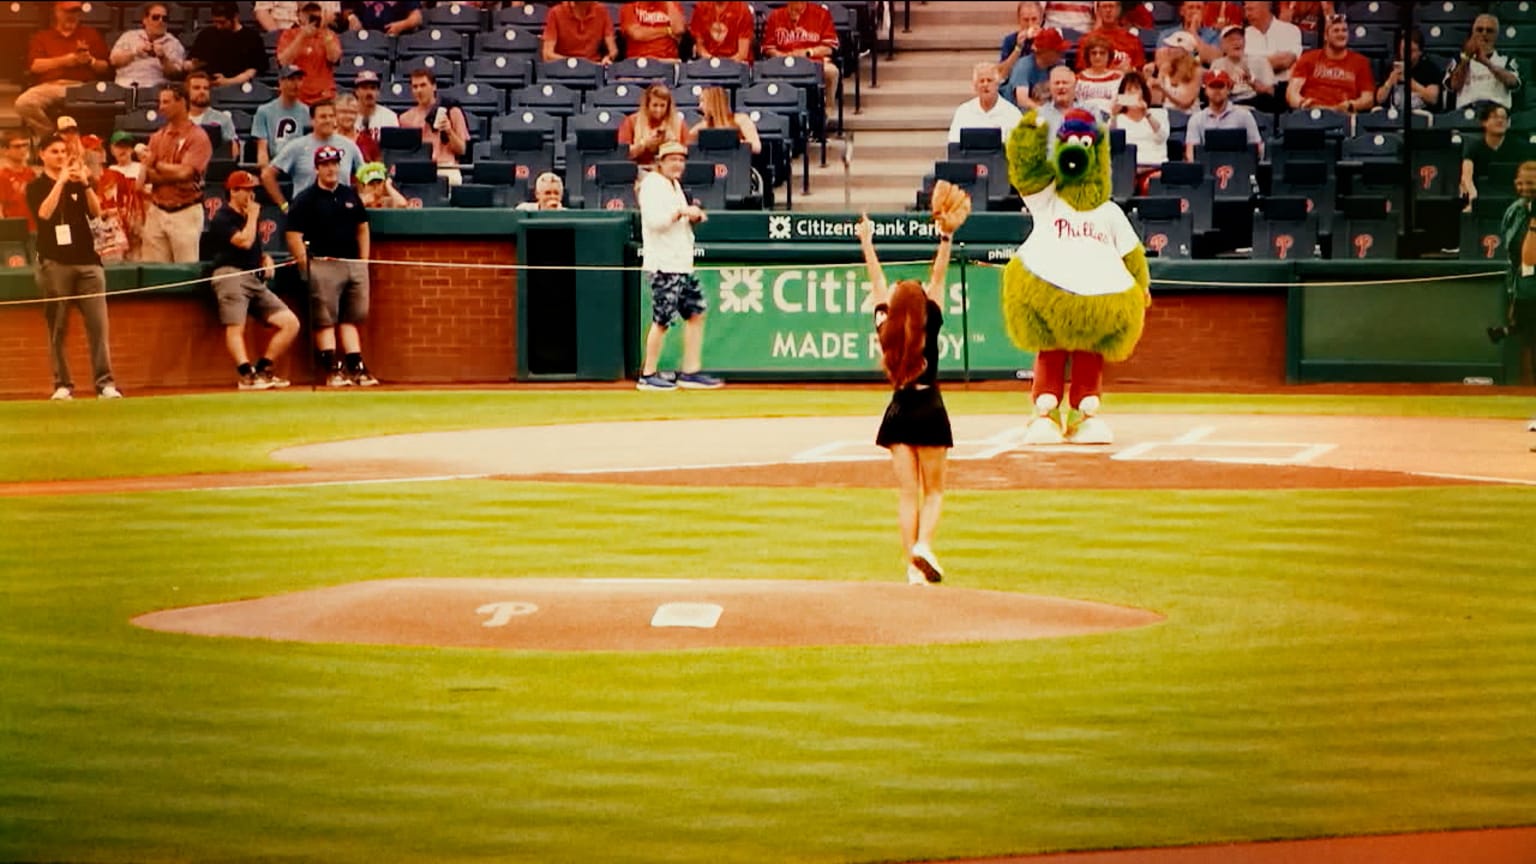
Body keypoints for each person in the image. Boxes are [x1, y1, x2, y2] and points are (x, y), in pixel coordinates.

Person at [855, 188, 969, 585]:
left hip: (898, 411)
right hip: (930, 408)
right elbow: (940, 274)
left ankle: (911, 566)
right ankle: (924, 545)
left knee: (907, 494)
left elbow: (876, 282)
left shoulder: (885, 325)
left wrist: (867, 243)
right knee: (934, 491)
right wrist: (945, 236)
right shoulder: (929, 318)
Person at [27, 133, 120, 401]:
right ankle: (63, 384)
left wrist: (87, 183)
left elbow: (96, 212)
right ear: (42, 154)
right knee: (57, 327)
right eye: (54, 151)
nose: (59, 156)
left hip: (88, 262)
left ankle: (105, 384)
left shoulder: (78, 183)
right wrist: (61, 182)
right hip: (55, 263)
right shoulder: (36, 185)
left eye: (62, 152)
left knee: (98, 326)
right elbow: (44, 214)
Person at [283, 145, 378, 387]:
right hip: (322, 266)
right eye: (326, 164)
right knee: (325, 319)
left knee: (351, 317)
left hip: (351, 264)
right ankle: (332, 368)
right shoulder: (305, 199)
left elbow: (362, 228)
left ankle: (356, 366)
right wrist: (305, 265)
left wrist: (363, 261)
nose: (331, 169)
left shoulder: (349, 194)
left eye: (334, 163)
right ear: (317, 168)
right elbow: (293, 234)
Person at [635, 141, 722, 392]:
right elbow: (655, 222)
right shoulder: (652, 185)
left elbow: (677, 221)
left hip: (682, 263)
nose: (678, 164)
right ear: (660, 162)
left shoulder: (674, 186)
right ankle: (648, 374)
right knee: (661, 320)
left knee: (696, 312)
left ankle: (690, 371)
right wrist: (682, 212)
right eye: (672, 159)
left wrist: (691, 217)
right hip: (663, 264)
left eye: (681, 160)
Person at [207, 170, 301, 390]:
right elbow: (243, 242)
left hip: (253, 277)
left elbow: (253, 248)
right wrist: (252, 217)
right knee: (235, 326)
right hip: (230, 274)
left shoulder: (248, 216)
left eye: (253, 190)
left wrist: (265, 257)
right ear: (233, 191)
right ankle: (246, 374)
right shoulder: (223, 217)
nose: (251, 195)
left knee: (290, 323)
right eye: (246, 191)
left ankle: (262, 369)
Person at [140, 84, 212, 263]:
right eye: (160, 102)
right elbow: (148, 175)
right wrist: (166, 172)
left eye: (166, 102)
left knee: (185, 271)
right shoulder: (157, 136)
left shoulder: (198, 137)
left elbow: (185, 173)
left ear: (181, 102)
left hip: (185, 211)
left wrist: (156, 164)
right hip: (157, 210)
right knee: (152, 274)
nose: (160, 107)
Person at [16, 1, 111, 138]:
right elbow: (35, 66)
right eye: (67, 12)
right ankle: (52, 138)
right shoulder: (43, 37)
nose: (71, 16)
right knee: (23, 103)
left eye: (75, 12)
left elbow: (105, 68)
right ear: (56, 12)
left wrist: (90, 60)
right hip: (51, 87)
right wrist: (65, 61)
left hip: (83, 87)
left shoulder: (91, 34)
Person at [263, 100, 366, 205]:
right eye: (323, 117)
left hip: (341, 212)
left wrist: (360, 201)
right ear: (312, 120)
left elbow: (363, 176)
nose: (328, 120)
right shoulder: (297, 146)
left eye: (331, 116)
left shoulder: (349, 146)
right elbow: (267, 175)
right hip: (306, 212)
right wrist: (284, 205)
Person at [760, 1, 841, 118]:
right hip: (783, 64)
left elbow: (829, 48)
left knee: (832, 72)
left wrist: (808, 52)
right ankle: (774, 116)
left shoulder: (821, 14)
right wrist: (781, 56)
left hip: (812, 62)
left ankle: (826, 113)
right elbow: (768, 48)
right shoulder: (775, 16)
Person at [1497, 161, 1536, 393]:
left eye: (1531, 183)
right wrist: (1513, 294)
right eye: (1521, 182)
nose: (1525, 187)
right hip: (1525, 289)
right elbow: (1513, 259)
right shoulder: (1513, 211)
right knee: (1528, 345)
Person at [1286, 13, 1373, 113]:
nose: (1341, 34)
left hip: (1343, 116)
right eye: (1336, 31)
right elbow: (1292, 93)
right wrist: (1302, 103)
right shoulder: (1308, 58)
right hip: (1312, 113)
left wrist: (1351, 105)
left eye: (1344, 30)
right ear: (1325, 36)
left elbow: (1368, 98)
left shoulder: (1361, 62)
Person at [397, 68, 470, 185]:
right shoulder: (404, 118)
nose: (419, 90)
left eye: (423, 85)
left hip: (445, 167)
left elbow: (462, 150)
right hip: (418, 168)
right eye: (415, 87)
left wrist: (449, 131)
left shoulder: (452, 111)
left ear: (434, 86)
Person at [1447, 13, 1522, 112]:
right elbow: (1454, 86)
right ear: (1473, 32)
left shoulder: (1507, 58)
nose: (1484, 33)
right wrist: (1465, 60)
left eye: (1489, 30)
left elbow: (1513, 83)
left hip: (1496, 112)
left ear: (1496, 35)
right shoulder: (1459, 58)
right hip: (1467, 112)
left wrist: (1486, 62)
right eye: (1479, 30)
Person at [1184, 69, 1262, 160]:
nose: (1217, 90)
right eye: (1212, 86)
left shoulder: (1244, 116)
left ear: (1228, 89)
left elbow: (1257, 148)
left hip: (1240, 166)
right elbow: (1191, 154)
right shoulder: (1196, 119)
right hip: (1207, 169)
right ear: (1205, 90)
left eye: (1220, 86)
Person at [1109, 72, 1168, 192]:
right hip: (1126, 170)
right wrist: (1114, 115)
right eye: (1128, 90)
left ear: (1143, 92)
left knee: (1152, 183)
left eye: (1136, 89)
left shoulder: (1159, 114)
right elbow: (1111, 142)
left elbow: (1161, 137)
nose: (1132, 94)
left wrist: (1147, 113)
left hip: (1154, 167)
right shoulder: (1117, 119)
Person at [188, 1, 269, 87]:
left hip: (239, 86)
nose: (218, 26)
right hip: (207, 86)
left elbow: (252, 71)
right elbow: (194, 61)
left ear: (235, 17)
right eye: (215, 22)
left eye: (222, 22)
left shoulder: (251, 37)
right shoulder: (206, 35)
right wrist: (190, 65)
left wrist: (228, 82)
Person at [276, 2, 343, 106]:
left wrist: (324, 31)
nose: (312, 15)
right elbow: (283, 62)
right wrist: (302, 36)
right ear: (299, 15)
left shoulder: (329, 35)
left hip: (324, 95)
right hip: (296, 95)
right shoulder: (288, 35)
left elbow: (334, 57)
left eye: (315, 12)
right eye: (307, 13)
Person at [109, 2, 186, 89]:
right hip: (125, 86)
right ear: (145, 20)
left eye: (165, 18)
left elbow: (176, 75)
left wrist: (163, 58)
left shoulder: (174, 43)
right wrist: (135, 52)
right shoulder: (129, 36)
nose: (161, 21)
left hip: (157, 90)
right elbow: (114, 61)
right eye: (155, 17)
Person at [98, 130, 146, 261]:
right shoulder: (109, 172)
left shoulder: (141, 168)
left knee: (138, 257)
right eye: (118, 146)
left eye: (126, 146)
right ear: (112, 150)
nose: (122, 150)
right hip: (116, 223)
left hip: (138, 220)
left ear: (131, 149)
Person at [949, 62, 1024, 144]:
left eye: (989, 80)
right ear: (975, 86)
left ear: (997, 84)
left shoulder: (1012, 114)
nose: (985, 84)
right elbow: (953, 144)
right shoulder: (963, 112)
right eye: (981, 81)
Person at [1244, 0, 1302, 106]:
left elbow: (1286, 62)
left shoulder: (1290, 30)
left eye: (1250, 9)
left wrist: (1255, 64)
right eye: (1246, 10)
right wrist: (1271, 61)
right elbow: (1242, 67)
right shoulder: (1244, 35)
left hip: (1281, 91)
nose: (1247, 14)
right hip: (1252, 93)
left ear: (1265, 6)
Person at [254, 66, 313, 166]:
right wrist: (264, 168)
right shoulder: (264, 111)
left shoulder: (307, 111)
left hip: (299, 164)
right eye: (291, 79)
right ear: (281, 82)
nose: (295, 84)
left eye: (299, 79)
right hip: (275, 162)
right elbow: (262, 148)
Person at [619, 83, 687, 168]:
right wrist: (644, 144)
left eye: (662, 106)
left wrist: (671, 143)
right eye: (655, 105)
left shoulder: (679, 123)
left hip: (670, 169)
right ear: (647, 105)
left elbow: (686, 151)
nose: (658, 110)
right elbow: (623, 153)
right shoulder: (632, 121)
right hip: (640, 168)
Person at [1376, 27, 1441, 115]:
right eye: (1404, 50)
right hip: (1394, 116)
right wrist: (1390, 81)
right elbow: (1379, 99)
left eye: (1411, 51)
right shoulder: (1391, 67)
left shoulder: (1430, 68)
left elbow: (1433, 98)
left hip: (1420, 116)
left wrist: (1410, 82)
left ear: (1420, 52)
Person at [1210, 24, 1274, 109]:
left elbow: (1271, 92)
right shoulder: (1217, 65)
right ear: (1222, 46)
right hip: (1227, 105)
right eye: (1231, 40)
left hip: (1254, 104)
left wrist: (1252, 81)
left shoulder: (1259, 62)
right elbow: (1211, 93)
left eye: (1239, 39)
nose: (1236, 43)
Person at [1006, 26, 1070, 109]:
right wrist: (1045, 113)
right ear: (1045, 52)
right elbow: (1022, 100)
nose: (1061, 53)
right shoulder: (1023, 66)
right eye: (1057, 51)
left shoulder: (1058, 65)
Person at [1461, 103, 1512, 207]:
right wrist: (1473, 199)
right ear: (1484, 122)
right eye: (1495, 117)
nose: (1500, 121)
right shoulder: (1474, 148)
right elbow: (1466, 178)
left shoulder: (1518, 147)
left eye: (1503, 118)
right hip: (1481, 196)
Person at [541, 1, 618, 64]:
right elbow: (547, 55)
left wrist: (608, 58)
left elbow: (613, 51)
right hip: (563, 67)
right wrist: (579, 64)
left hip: (594, 67)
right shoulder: (556, 13)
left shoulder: (601, 11)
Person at [1076, 0, 1144, 72]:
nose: (1108, 10)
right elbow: (1082, 71)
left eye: (1111, 6)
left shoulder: (1133, 41)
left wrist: (1130, 69)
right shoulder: (1086, 40)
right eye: (1104, 7)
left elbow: (1139, 72)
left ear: (1119, 9)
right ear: (1098, 10)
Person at [691, 86, 762, 155]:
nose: (700, 106)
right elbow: (686, 143)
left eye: (703, 101)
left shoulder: (741, 119)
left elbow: (756, 147)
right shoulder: (703, 126)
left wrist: (735, 142)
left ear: (714, 102)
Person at [187, 71, 241, 161]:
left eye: (206, 88)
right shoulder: (178, 119)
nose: (202, 91)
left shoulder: (222, 119)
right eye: (196, 88)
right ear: (187, 91)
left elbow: (234, 151)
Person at [1075, 34, 1125, 116]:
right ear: (1088, 56)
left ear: (1109, 56)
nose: (1097, 57)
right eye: (1094, 53)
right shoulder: (1077, 79)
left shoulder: (1120, 78)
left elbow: (1133, 100)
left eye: (1102, 53)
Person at [688, 0, 754, 63]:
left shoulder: (742, 10)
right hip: (708, 64)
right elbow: (700, 47)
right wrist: (713, 61)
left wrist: (723, 66)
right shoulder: (701, 8)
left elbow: (742, 54)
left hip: (736, 66)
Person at [620, 1, 684, 62]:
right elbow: (637, 34)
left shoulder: (671, 5)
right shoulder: (630, 6)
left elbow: (679, 29)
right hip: (639, 61)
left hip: (668, 60)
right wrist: (668, 30)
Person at [0, 130, 38, 230]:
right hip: (13, 230)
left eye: (25, 145)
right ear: (5, 150)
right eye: (17, 146)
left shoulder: (31, 173)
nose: (23, 149)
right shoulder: (2, 175)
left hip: (34, 227)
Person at [998, 1, 1045, 80]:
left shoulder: (1050, 37)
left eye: (1034, 19)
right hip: (1015, 83)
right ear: (1019, 20)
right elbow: (1002, 74)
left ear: (1041, 19)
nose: (1030, 24)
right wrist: (1018, 48)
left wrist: (1042, 45)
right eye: (1026, 20)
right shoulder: (1010, 40)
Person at [333, 93, 379, 162]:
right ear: (334, 114)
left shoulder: (368, 141)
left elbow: (378, 168)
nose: (348, 116)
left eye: (352, 112)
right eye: (343, 112)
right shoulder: (326, 139)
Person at [339, 0, 422, 36]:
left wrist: (401, 25)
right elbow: (345, 11)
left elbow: (417, 18)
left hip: (395, 41)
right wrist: (351, 18)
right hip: (363, 39)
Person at [254, 0, 340, 31]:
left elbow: (332, 14)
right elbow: (261, 12)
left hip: (317, 35)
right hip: (283, 33)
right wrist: (279, 38)